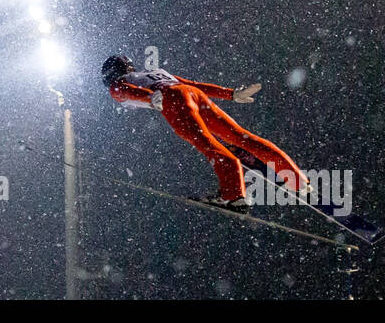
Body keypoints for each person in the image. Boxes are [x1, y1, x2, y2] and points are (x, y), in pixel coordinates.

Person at [100, 55, 308, 211]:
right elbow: (193, 85)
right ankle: (295, 179)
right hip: (191, 94)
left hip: (171, 98)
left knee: (206, 143)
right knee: (239, 136)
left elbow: (125, 92)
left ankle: (233, 194)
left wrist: (150, 97)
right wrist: (231, 94)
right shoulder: (153, 72)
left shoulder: (116, 84)